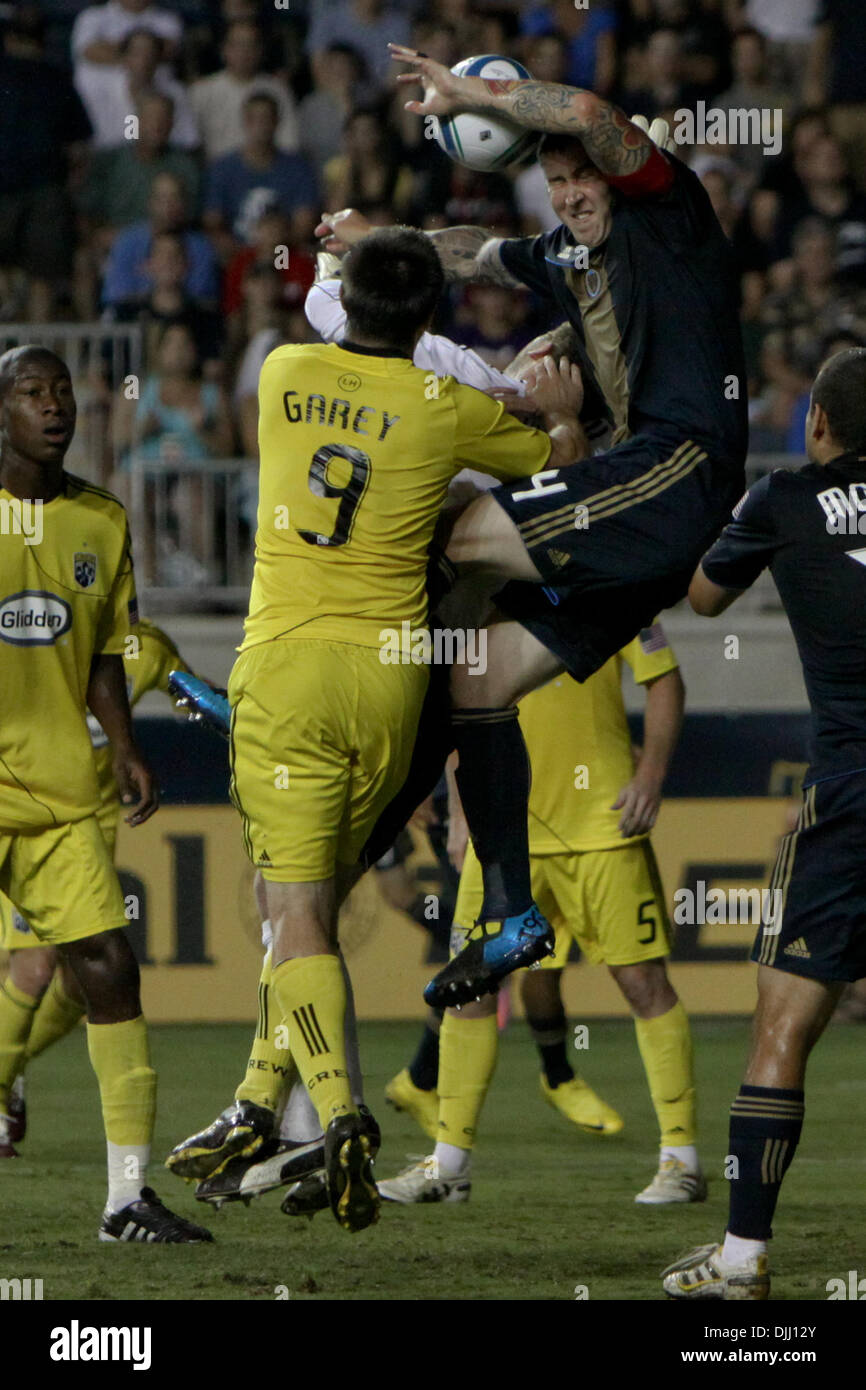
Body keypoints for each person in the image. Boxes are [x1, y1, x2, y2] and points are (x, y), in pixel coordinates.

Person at [319, 45, 747, 1009]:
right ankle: (509, 909)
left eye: (579, 177)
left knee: (459, 534)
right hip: (636, 516)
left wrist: (471, 91)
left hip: (678, 473)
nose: (569, 195)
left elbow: (593, 113)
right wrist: (375, 242)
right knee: (477, 667)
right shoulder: (565, 255)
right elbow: (472, 250)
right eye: (553, 181)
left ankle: (328, 675)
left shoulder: (667, 213)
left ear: (616, 172)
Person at [180, 226, 583, 1233]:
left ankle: (338, 1114)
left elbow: (335, 320)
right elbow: (548, 466)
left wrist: (337, 254)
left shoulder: (280, 372)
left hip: (286, 670)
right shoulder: (441, 405)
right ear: (428, 318)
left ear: (344, 301)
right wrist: (557, 413)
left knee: (297, 909)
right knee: (311, 896)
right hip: (395, 684)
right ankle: (258, 1101)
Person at [662, 348, 866, 1300]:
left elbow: (703, 596)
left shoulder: (784, 499)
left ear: (818, 423)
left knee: (782, 1024)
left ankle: (741, 1261)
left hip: (851, 796)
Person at [378, 625, 706, 1208]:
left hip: (601, 826)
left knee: (641, 982)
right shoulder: (488, 603)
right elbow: (463, 703)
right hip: (505, 832)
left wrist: (650, 777)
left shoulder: (607, 588)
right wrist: (458, 808)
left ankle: (681, 1160)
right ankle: (448, 1166)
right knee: (470, 989)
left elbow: (666, 681)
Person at [0, 345, 210, 1242]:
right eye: (31, 394)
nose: (54, 408)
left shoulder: (101, 519)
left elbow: (103, 656)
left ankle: (126, 1199)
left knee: (108, 969)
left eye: (63, 394)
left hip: (53, 795)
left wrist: (124, 746)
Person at [0, 621, 194, 1150]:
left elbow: (191, 695)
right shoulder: (46, 633)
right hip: (28, 811)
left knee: (81, 982)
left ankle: (8, 1073)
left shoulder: (149, 648)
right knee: (35, 966)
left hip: (94, 823)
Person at [203, 93, 319, 260]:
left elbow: (304, 225)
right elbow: (212, 222)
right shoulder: (223, 168)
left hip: (283, 253)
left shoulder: (298, 168)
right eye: (253, 119)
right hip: (238, 256)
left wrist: (273, 251)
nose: (261, 125)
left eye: (266, 118)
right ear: (244, 122)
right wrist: (245, 255)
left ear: (277, 121)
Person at [188, 20, 300, 162]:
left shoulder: (278, 89)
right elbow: (192, 143)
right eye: (238, 45)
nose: (244, 52)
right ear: (224, 49)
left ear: (261, 51)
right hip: (216, 172)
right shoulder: (202, 91)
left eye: (251, 45)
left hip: (267, 169)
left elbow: (289, 142)